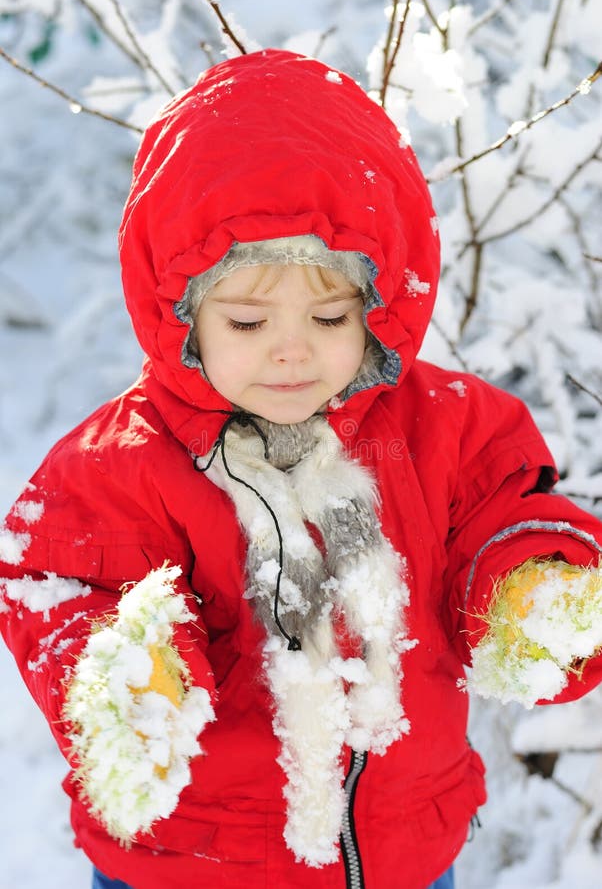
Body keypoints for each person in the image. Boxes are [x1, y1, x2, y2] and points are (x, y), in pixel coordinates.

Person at [1, 48, 601, 889]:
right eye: (246, 322)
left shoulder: (447, 430)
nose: (290, 352)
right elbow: (61, 589)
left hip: (406, 855)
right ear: (181, 313)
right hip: (195, 863)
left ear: (380, 307)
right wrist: (130, 678)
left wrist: (528, 587)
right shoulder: (123, 468)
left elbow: (504, 512)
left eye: (327, 315)